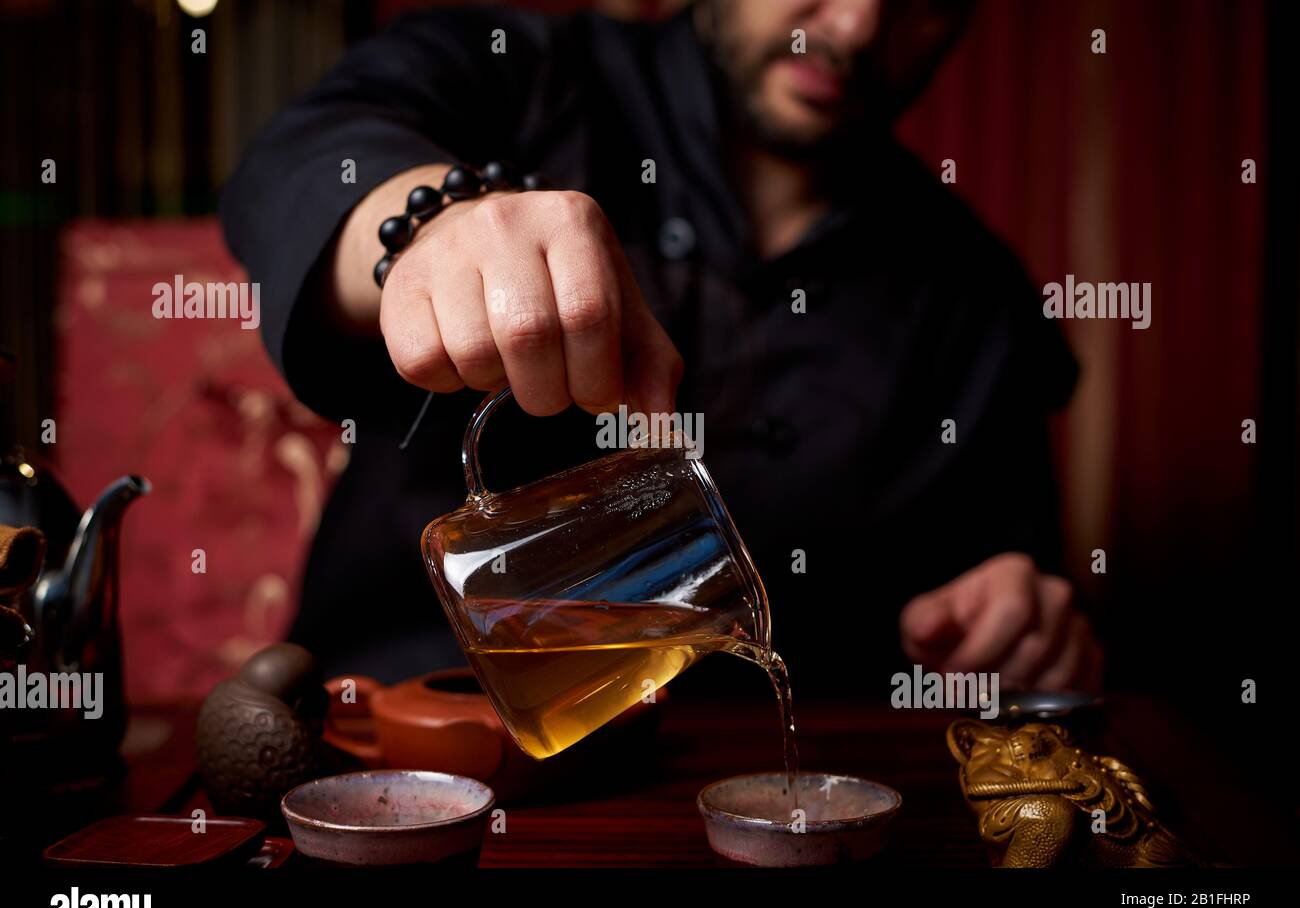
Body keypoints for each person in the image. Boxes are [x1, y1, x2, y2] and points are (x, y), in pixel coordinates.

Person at [220, 0, 1102, 698]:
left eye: (927, 0)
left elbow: (1009, 585)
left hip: (756, 801)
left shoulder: (975, 292)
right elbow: (296, 158)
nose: (858, 24)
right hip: (400, 757)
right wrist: (431, 222)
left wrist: (1014, 625)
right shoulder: (520, 73)